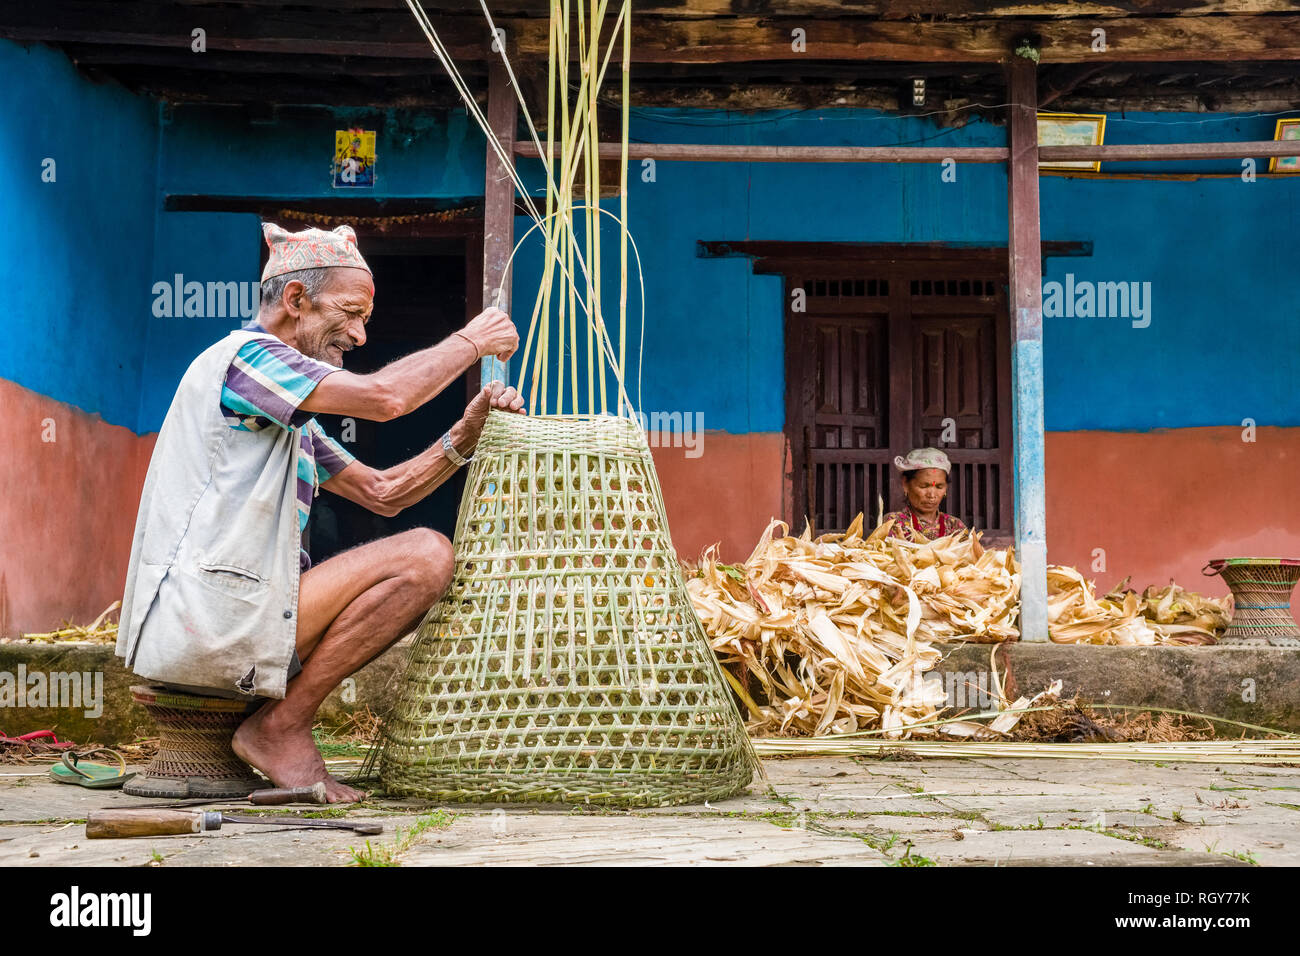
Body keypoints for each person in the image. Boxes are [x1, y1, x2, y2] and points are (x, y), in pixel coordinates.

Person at [116, 222, 523, 802]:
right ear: (296, 300)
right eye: (351, 313)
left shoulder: (288, 410)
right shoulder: (249, 359)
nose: (359, 335)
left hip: (228, 614)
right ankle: (281, 726)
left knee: (420, 551)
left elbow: (383, 492)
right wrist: (470, 342)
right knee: (426, 556)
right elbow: (386, 399)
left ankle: (279, 724)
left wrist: (465, 434)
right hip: (204, 619)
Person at [880, 447, 979, 552]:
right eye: (923, 486)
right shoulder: (894, 522)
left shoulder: (954, 526)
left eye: (939, 487)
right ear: (905, 484)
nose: (932, 495)